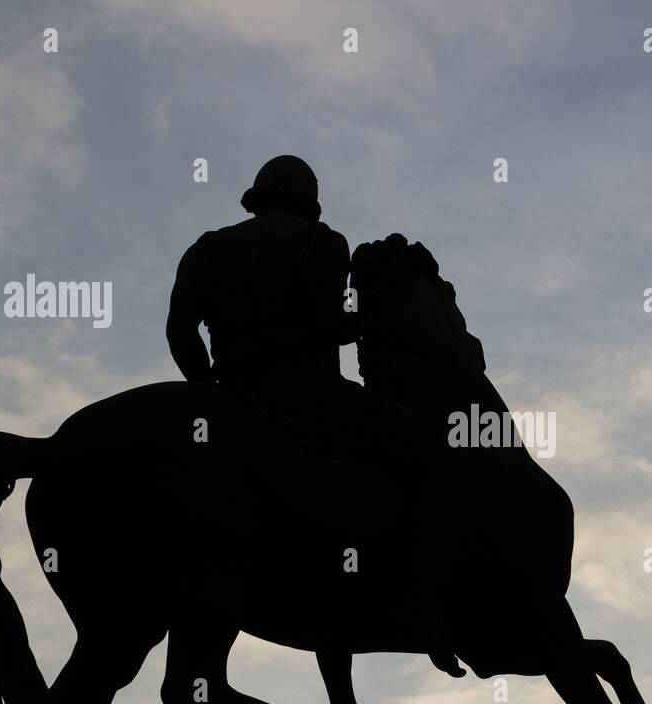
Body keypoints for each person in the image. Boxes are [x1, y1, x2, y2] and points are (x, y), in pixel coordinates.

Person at [165, 156, 464, 676]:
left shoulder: (208, 247)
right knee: (436, 454)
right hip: (314, 397)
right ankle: (419, 596)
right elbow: (328, 320)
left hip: (234, 398)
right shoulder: (324, 243)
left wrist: (209, 390)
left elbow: (180, 332)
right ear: (307, 199)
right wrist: (365, 323)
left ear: (258, 196)